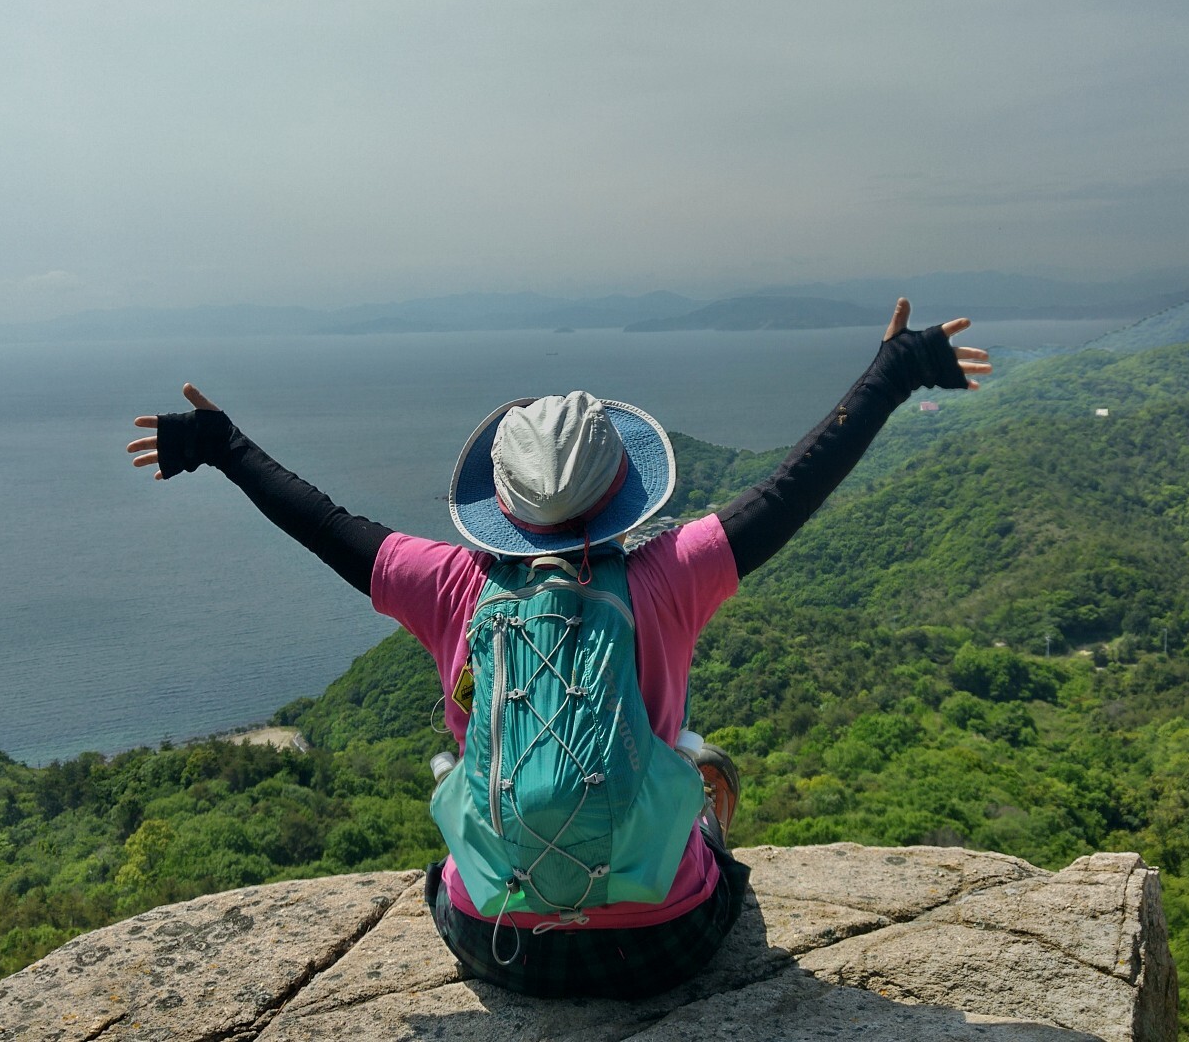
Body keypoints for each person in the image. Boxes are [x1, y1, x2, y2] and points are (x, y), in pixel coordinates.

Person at [126, 298, 987, 998]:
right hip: (664, 943)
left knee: (449, 854)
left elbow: (322, 522)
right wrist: (894, 370)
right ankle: (691, 814)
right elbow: (798, 481)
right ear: (626, 493)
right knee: (705, 804)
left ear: (498, 504)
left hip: (501, 948)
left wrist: (221, 447)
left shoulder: (447, 585)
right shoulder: (673, 572)